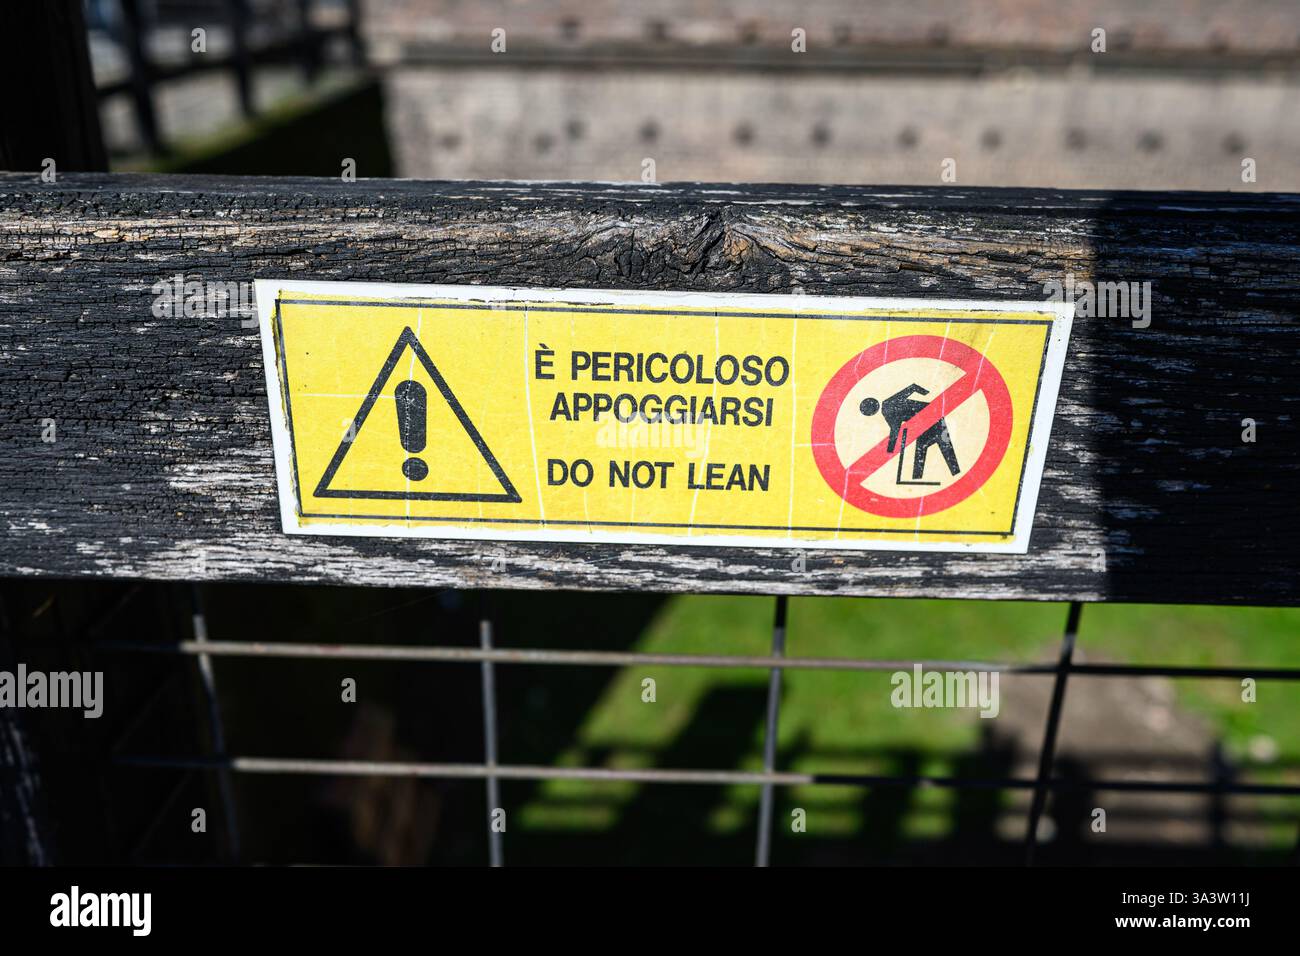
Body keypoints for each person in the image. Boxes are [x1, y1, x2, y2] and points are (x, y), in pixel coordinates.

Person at [860, 384, 961, 480]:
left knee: (936, 448)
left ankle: (954, 474)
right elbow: (913, 388)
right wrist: (925, 393)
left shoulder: (888, 409)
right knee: (924, 449)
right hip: (926, 419)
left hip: (931, 417)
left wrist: (890, 450)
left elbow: (895, 431)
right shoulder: (888, 403)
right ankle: (922, 478)